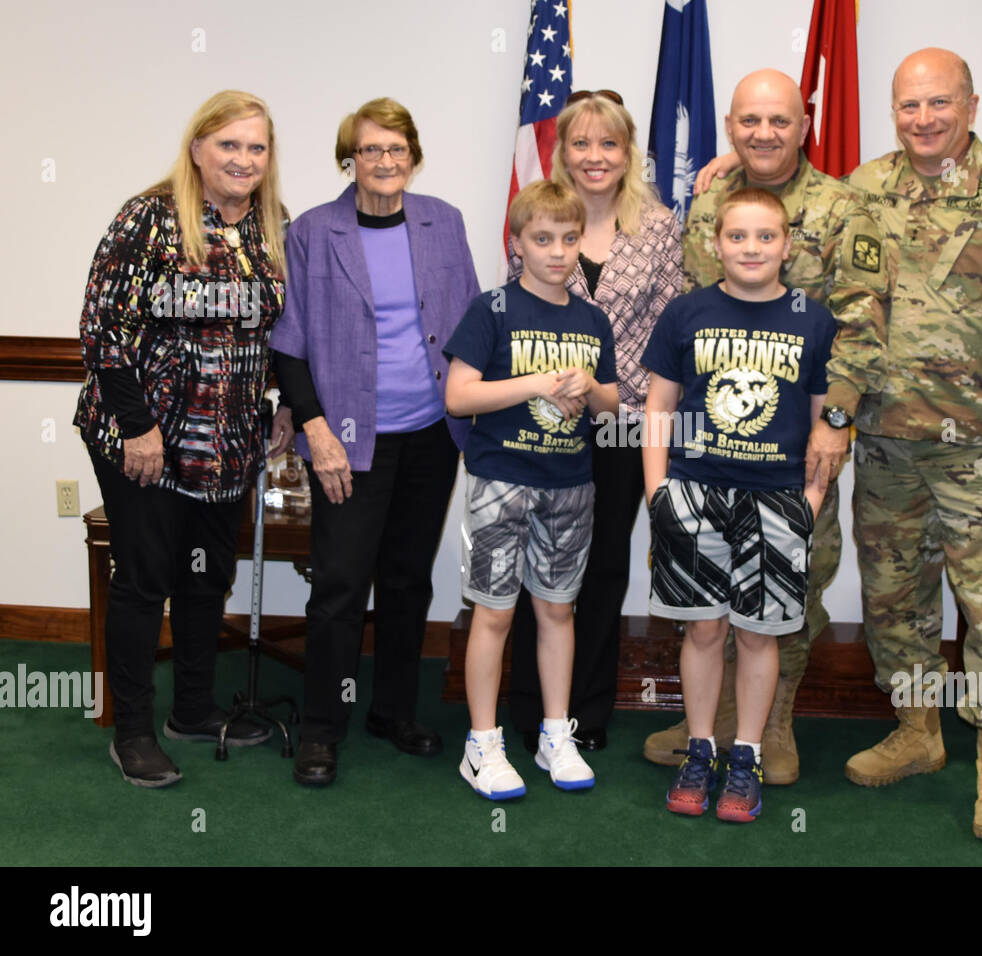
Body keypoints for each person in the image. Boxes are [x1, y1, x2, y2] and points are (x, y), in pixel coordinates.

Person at [828, 49, 982, 842]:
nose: (924, 119)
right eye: (909, 106)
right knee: (895, 604)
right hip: (887, 444)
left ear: (971, 106)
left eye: (939, 104)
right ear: (893, 112)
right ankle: (918, 732)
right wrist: (737, 167)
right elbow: (796, 244)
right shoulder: (865, 189)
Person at [641, 69, 887, 785]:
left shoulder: (844, 206)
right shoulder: (711, 197)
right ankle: (711, 725)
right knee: (707, 589)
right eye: (749, 121)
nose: (764, 134)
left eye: (778, 120)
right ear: (730, 126)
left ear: (803, 124)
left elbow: (862, 326)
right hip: (711, 448)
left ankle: (773, 721)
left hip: (799, 436)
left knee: (790, 583)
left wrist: (835, 422)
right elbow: (694, 313)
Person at [75, 90, 293, 787]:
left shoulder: (272, 224)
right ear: (198, 146)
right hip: (145, 438)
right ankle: (133, 731)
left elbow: (284, 328)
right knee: (145, 580)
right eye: (229, 144)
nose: (243, 159)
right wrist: (138, 428)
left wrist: (285, 403)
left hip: (229, 441)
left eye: (256, 147)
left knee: (207, 577)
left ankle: (193, 711)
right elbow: (101, 329)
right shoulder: (148, 218)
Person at [269, 98, 480, 787]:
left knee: (406, 581)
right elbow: (290, 345)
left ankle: (392, 711)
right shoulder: (312, 231)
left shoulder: (442, 222)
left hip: (430, 434)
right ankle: (322, 729)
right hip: (348, 442)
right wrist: (316, 430)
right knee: (338, 585)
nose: (385, 162)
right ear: (348, 160)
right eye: (369, 151)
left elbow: (471, 325)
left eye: (397, 149)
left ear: (412, 158)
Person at [642, 188, 836, 822]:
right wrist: (657, 491)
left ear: (786, 244)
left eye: (765, 237)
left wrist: (808, 500)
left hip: (776, 498)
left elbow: (823, 425)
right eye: (737, 236)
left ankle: (746, 754)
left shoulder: (813, 318)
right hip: (695, 492)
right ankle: (701, 748)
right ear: (715, 243)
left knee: (758, 634)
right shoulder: (685, 312)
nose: (751, 248)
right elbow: (658, 409)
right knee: (703, 628)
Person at [506, 89, 682, 755]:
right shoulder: (543, 217)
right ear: (562, 152)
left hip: (624, 426)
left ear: (627, 151)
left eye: (608, 143)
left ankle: (587, 710)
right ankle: (530, 705)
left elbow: (671, 336)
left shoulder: (661, 227)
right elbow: (517, 312)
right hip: (545, 420)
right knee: (538, 565)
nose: (594, 156)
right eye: (580, 143)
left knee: (604, 566)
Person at [443, 180, 619, 799]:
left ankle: (554, 732)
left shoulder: (593, 318)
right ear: (517, 244)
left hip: (570, 485)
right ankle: (483, 744)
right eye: (542, 239)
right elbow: (459, 396)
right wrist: (538, 382)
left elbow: (611, 404)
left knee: (557, 610)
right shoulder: (491, 309)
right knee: (493, 613)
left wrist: (584, 387)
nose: (558, 252)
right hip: (500, 484)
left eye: (569, 239)